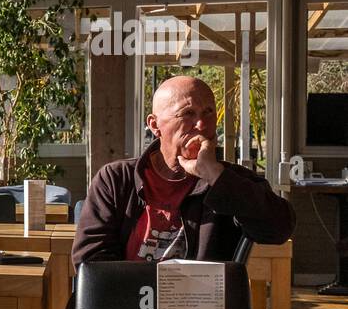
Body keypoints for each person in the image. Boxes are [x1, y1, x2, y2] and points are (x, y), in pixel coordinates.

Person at [73, 75, 293, 269]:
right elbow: (91, 260)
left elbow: (279, 229)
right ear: (155, 125)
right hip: (127, 308)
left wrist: (214, 174)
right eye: (187, 113)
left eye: (209, 112)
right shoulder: (116, 179)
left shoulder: (229, 181)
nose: (201, 124)